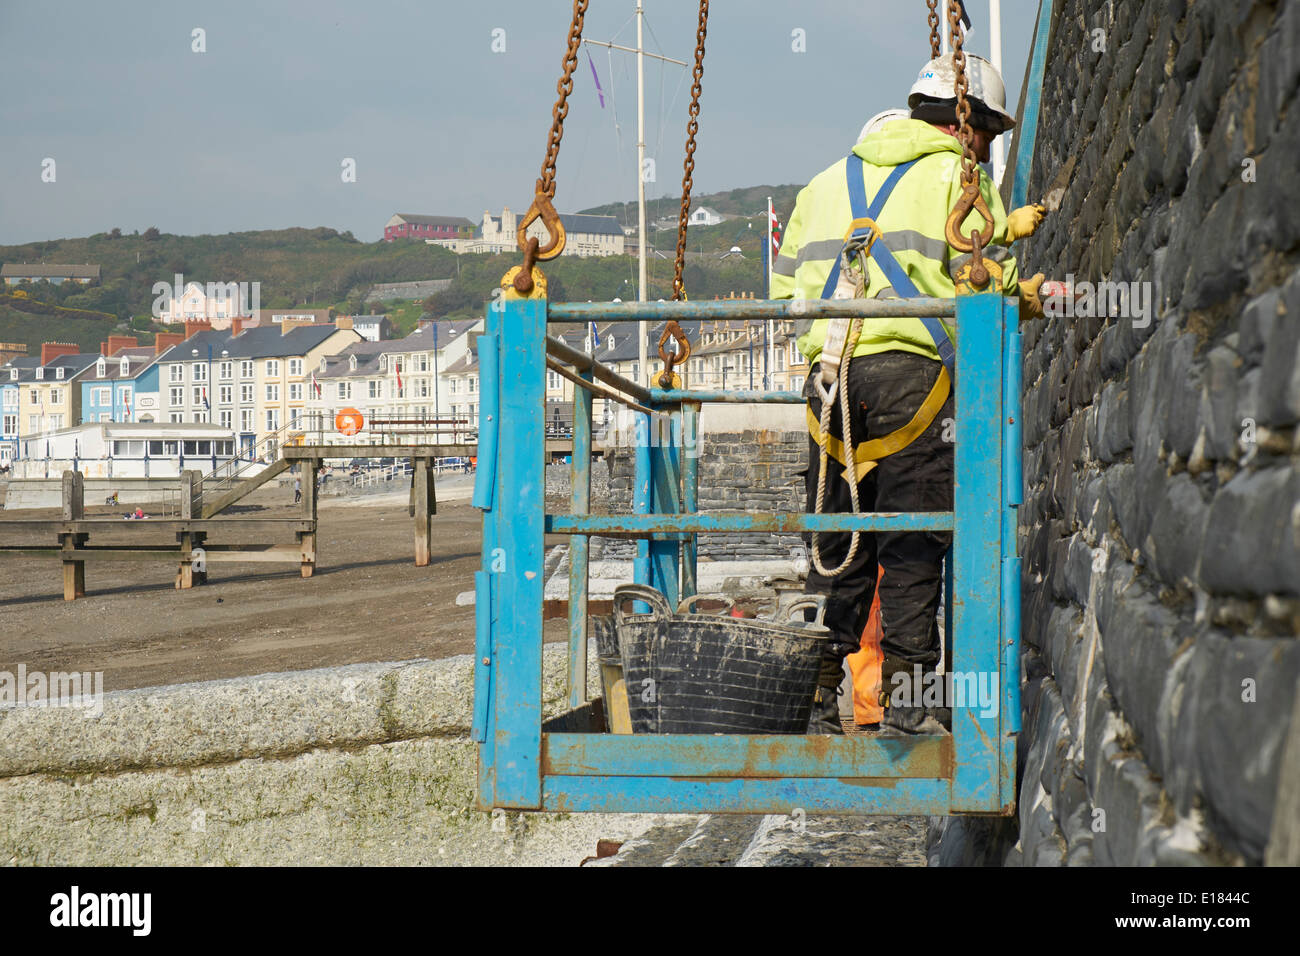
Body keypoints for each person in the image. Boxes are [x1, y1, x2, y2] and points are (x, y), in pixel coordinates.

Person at [772, 53, 1046, 736]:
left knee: (839, 544)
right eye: (987, 133)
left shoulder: (823, 184)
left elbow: (786, 295)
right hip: (910, 378)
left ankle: (811, 702)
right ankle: (910, 710)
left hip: (828, 382)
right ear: (969, 123)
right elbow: (988, 279)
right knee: (914, 543)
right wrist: (1027, 297)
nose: (985, 146)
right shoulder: (963, 175)